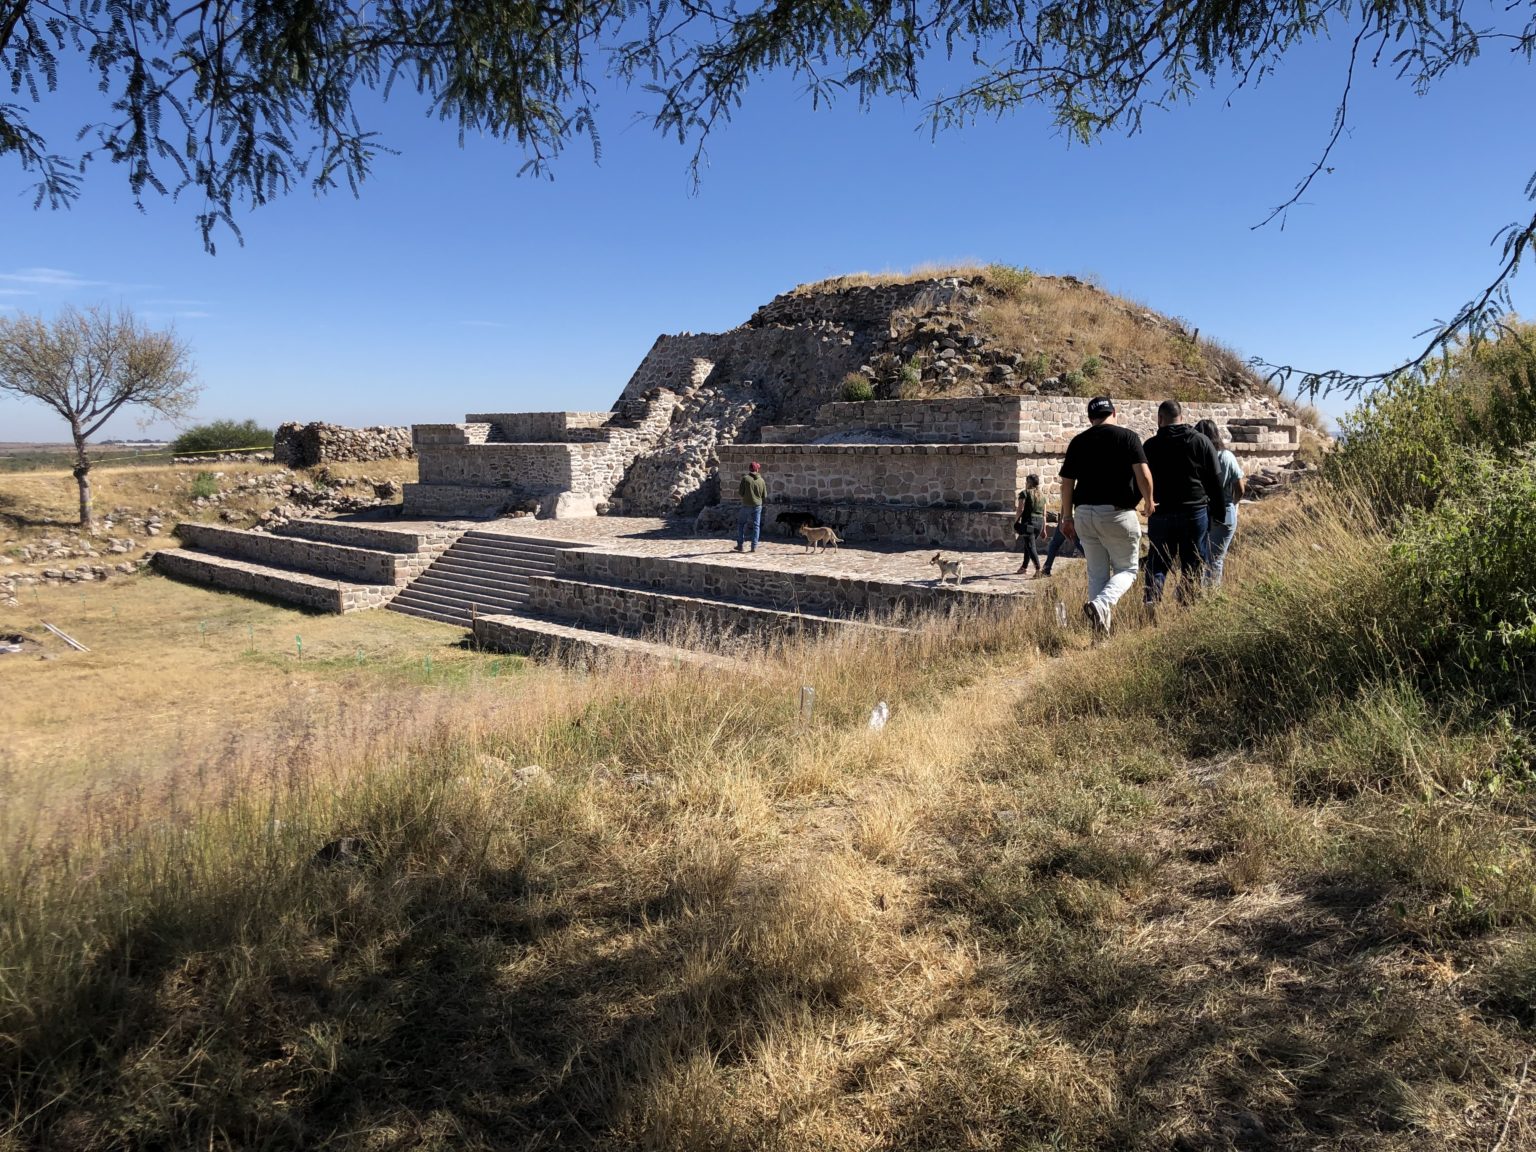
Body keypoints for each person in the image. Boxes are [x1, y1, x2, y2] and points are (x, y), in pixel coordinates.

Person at [1058, 396, 1155, 634]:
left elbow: (1066, 485)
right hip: (1116, 513)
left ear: (1090, 418)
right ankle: (1101, 605)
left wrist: (1066, 518)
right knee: (1127, 570)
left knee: (1097, 575)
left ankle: (1100, 634)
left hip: (1083, 515)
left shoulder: (1078, 441)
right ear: (1114, 412)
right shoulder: (1128, 437)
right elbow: (1143, 474)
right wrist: (1150, 501)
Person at [1142, 401, 1228, 605]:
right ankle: (1187, 605)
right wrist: (1219, 513)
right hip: (1194, 511)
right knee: (1194, 561)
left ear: (1159, 419)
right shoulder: (1201, 441)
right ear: (1181, 417)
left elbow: (1141, 479)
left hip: (1161, 511)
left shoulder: (1151, 445)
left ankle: (1152, 601)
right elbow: (1215, 481)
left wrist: (1142, 502)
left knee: (1158, 561)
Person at [1194, 418, 1244, 585]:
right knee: (1216, 558)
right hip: (1225, 509)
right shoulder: (1226, 456)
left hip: (1200, 510)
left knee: (1202, 555)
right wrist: (1234, 503)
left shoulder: (1195, 457)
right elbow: (1240, 487)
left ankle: (1195, 590)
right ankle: (1211, 595)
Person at [1014, 477, 1045, 575]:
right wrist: (1044, 529)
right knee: (1028, 545)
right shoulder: (1042, 496)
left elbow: (1020, 509)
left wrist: (1016, 522)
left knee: (1030, 546)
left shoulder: (1024, 493)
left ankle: (1038, 569)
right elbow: (1044, 514)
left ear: (1029, 483)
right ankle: (1024, 567)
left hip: (1029, 523)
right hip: (1039, 524)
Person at [735, 460, 766, 552]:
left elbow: (741, 492)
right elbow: (764, 495)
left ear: (750, 469)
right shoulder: (761, 480)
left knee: (741, 524)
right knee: (756, 526)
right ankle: (754, 546)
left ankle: (740, 545)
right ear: (757, 470)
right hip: (758, 505)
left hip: (746, 505)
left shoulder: (745, 479)